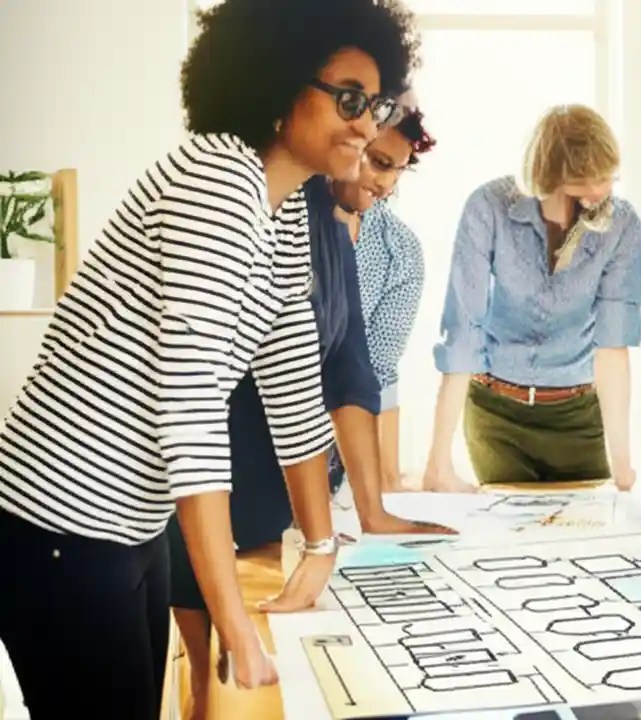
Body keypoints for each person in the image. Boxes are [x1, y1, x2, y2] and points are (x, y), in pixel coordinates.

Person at [0, 0, 420, 716]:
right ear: (279, 84)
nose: (367, 123)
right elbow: (189, 407)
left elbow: (293, 383)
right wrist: (234, 621)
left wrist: (319, 544)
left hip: (131, 524)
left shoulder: (286, 205)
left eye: (374, 102)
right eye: (349, 98)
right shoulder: (216, 178)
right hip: (58, 526)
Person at [166, 99, 448, 720]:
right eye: (374, 157)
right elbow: (193, 404)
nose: (380, 177)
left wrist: (368, 510)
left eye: (395, 166)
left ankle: (217, 682)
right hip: (211, 450)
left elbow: (349, 370)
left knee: (257, 636)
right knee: (199, 614)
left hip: (283, 465)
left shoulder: (334, 231)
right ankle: (195, 688)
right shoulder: (259, 202)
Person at [423, 104, 641, 491]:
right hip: (496, 414)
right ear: (547, 176)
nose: (598, 192)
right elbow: (462, 334)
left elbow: (612, 345)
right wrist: (437, 465)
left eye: (607, 179)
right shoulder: (487, 207)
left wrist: (623, 468)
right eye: (583, 182)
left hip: (578, 415)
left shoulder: (622, 225)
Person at [329, 97, 435, 492]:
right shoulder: (293, 222)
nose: (388, 183)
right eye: (379, 162)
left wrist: (385, 480)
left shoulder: (400, 251)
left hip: (340, 458)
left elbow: (379, 371)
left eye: (399, 171)